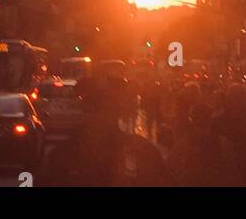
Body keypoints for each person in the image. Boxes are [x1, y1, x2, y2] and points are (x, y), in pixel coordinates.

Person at [41, 76, 170, 187]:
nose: (100, 116)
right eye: (96, 108)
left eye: (105, 109)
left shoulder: (62, 155)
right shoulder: (144, 152)